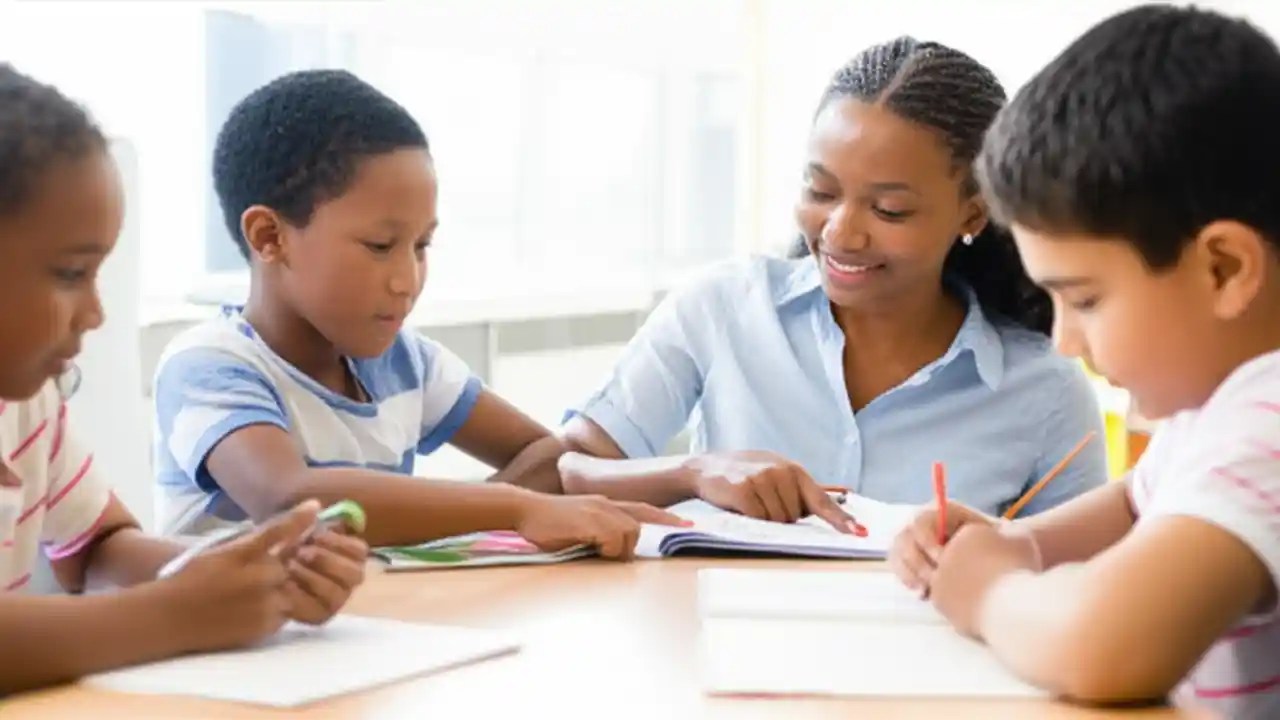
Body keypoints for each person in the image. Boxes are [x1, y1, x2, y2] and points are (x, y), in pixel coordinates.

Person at [889, 6, 1280, 715]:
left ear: (1223, 269)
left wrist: (986, 593)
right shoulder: (1221, 408)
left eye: (1086, 300)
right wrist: (1010, 545)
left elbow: (1106, 648)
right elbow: (1140, 503)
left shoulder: (1269, 421)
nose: (1065, 341)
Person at [558, 37, 1105, 527]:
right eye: (820, 192)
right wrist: (695, 472)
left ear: (972, 214)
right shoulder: (724, 306)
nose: (841, 233)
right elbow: (570, 466)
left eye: (889, 210)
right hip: (726, 636)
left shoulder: (1045, 390)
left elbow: (1080, 586)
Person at [153, 69, 682, 555]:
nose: (408, 281)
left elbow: (552, 457)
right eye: (381, 246)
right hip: (235, 651)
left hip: (370, 628)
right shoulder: (209, 366)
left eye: (422, 246)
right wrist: (517, 508)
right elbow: (290, 499)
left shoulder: (406, 364)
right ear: (270, 237)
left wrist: (686, 476)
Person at [0, 64, 367, 693]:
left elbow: (96, 548)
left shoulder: (29, 406)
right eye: (69, 274)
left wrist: (244, 579)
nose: (95, 313)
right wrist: (172, 615)